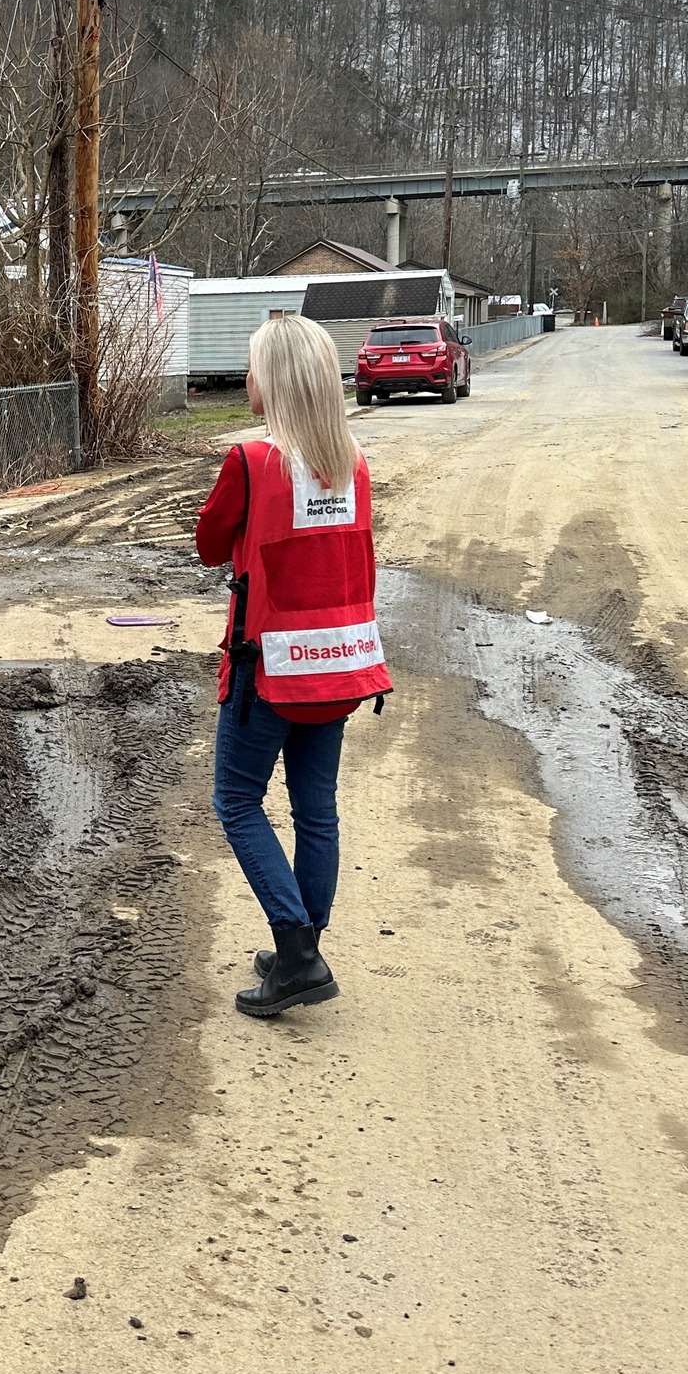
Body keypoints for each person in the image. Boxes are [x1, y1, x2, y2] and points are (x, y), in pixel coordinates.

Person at [194, 315, 391, 1018]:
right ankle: (302, 946)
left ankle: (298, 951)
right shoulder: (354, 464)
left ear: (271, 382)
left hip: (269, 666)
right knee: (317, 810)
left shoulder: (250, 463)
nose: (246, 380)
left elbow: (210, 544)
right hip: (339, 664)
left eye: (252, 369)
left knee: (237, 801)